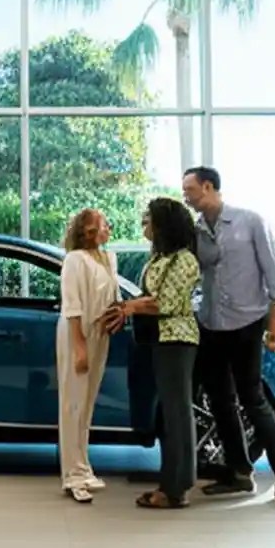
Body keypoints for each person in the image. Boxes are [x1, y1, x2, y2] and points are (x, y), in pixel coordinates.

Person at [181, 166, 275, 505]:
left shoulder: (250, 221)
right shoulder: (197, 230)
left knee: (253, 399)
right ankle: (239, 473)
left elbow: (272, 274)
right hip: (212, 323)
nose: (185, 196)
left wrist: (274, 320)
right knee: (220, 401)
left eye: (189, 189)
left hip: (248, 323)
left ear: (208, 186)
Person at [102, 198, 200, 510]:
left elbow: (165, 304)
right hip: (157, 339)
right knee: (164, 416)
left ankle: (177, 488)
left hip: (176, 340)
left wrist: (130, 306)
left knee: (177, 414)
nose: (144, 224)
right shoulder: (159, 257)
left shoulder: (185, 260)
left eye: (149, 219)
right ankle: (169, 482)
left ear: (163, 225)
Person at [56, 208, 119, 503]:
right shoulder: (74, 260)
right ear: (88, 229)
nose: (108, 227)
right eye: (103, 223)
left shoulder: (109, 257)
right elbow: (72, 306)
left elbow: (113, 298)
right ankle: (72, 474)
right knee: (73, 403)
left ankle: (84, 466)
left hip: (100, 333)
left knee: (88, 402)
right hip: (76, 333)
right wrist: (79, 347)